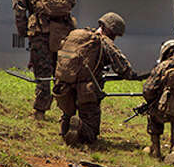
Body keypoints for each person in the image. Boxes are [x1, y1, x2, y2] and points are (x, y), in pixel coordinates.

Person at [52, 12, 136, 146]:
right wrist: (132, 75)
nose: (114, 38)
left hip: (63, 87)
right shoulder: (102, 41)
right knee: (91, 131)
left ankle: (66, 128)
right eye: (114, 35)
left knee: (68, 113)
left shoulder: (75, 35)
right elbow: (122, 67)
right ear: (109, 30)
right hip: (86, 91)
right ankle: (80, 127)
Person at [11, 0, 76, 121]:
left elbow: (19, 13)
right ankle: (67, 112)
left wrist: (24, 33)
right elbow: (73, 2)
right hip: (63, 33)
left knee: (43, 73)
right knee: (62, 73)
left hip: (41, 34)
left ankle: (40, 112)